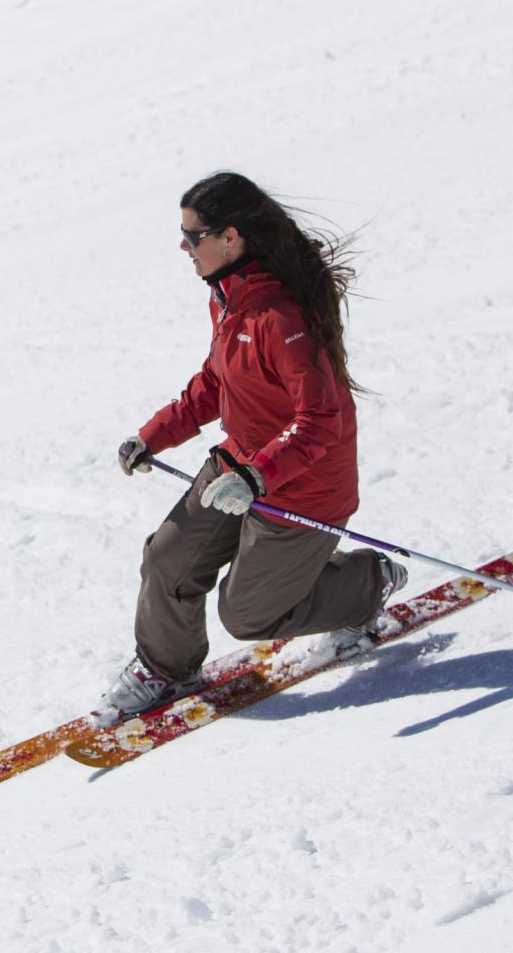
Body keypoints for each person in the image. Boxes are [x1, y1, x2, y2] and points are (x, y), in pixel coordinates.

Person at [104, 171, 407, 716]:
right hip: (240, 465)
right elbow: (218, 381)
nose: (184, 246)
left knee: (248, 617)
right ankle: (167, 671)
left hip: (303, 488)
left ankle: (367, 582)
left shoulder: (281, 316)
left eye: (193, 235)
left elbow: (320, 419)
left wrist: (257, 477)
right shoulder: (228, 298)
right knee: (168, 559)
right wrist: (153, 436)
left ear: (231, 237)